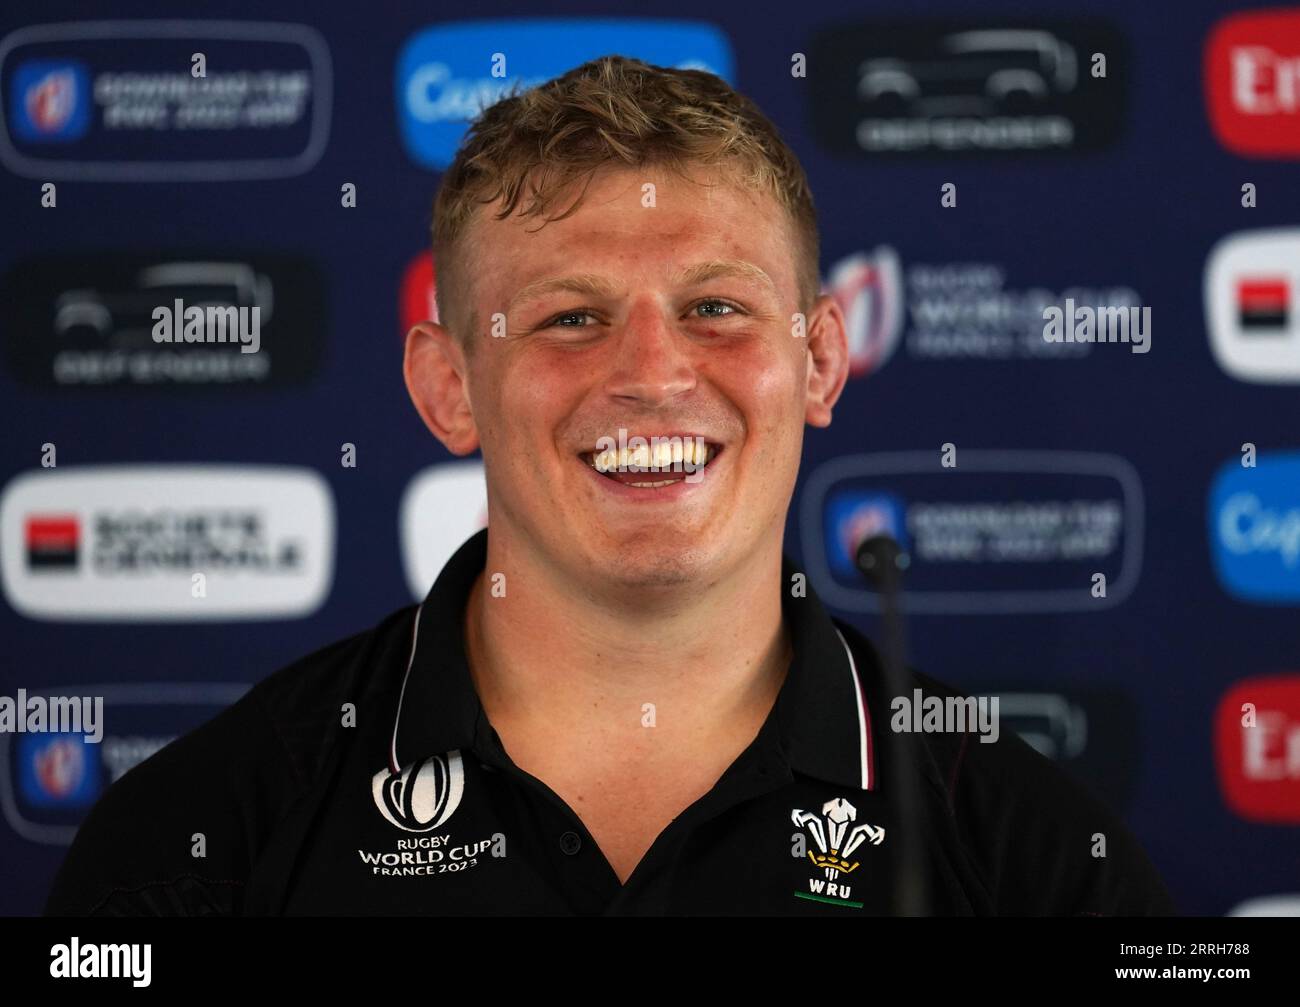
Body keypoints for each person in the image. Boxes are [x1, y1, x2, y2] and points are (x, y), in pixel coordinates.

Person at [45, 55, 1174, 916]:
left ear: (820, 360)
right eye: (571, 317)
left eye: (716, 307)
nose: (651, 372)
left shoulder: (1031, 860)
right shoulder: (201, 840)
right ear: (448, 386)